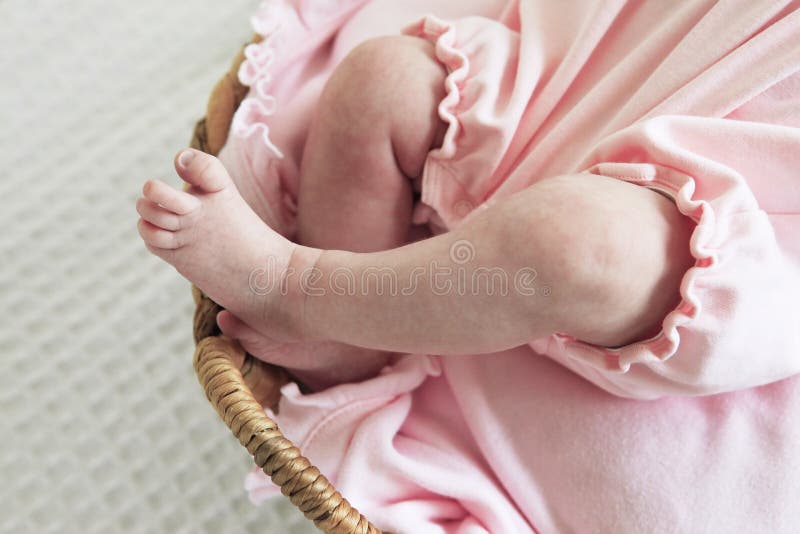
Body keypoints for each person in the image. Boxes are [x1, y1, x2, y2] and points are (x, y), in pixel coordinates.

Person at [138, 1, 800, 531]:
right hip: (576, 90)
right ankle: (346, 342)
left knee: (572, 245)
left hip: (738, 236)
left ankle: (300, 285)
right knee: (381, 80)